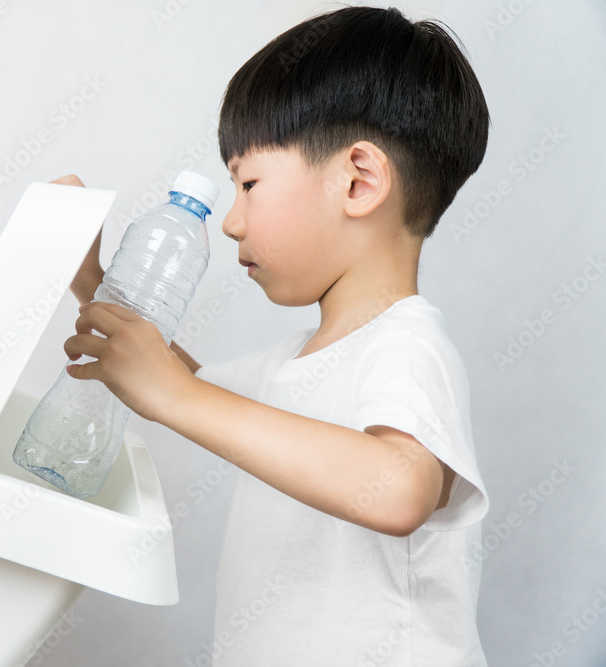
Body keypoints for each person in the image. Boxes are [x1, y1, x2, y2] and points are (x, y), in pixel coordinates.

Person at [59, 5, 490, 665]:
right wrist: (90, 280)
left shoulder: (407, 345)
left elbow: (402, 486)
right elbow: (189, 387)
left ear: (358, 180)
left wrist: (175, 394)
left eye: (249, 182)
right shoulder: (295, 362)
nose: (232, 222)